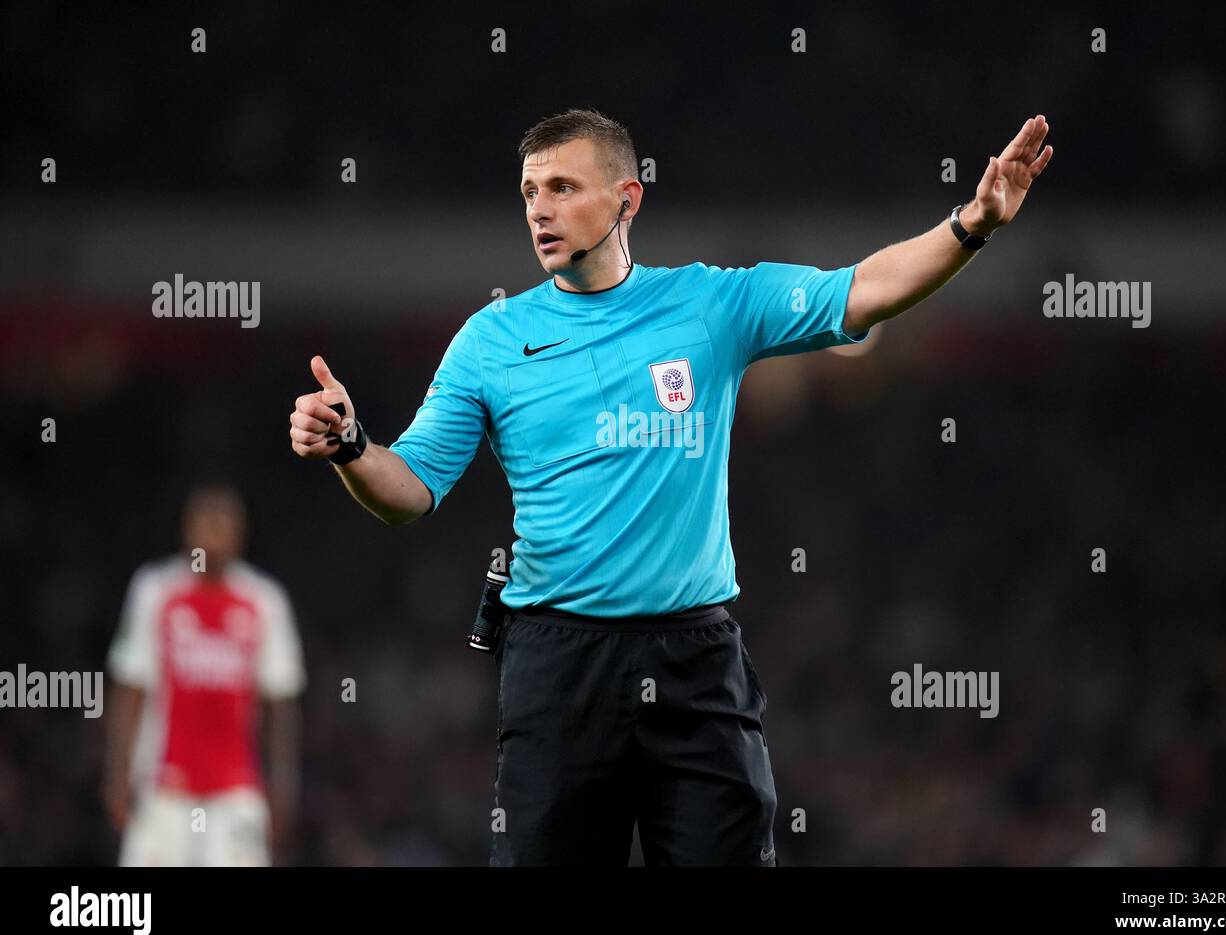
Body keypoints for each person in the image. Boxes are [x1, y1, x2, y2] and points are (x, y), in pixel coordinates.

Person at [288, 108, 1052, 865]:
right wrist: (350, 446)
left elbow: (861, 290)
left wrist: (973, 223)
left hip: (695, 662)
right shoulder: (488, 342)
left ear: (627, 198)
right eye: (529, 192)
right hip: (559, 666)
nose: (540, 210)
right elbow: (410, 489)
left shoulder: (709, 305)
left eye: (562, 187)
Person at [102, 484, 306, 866]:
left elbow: (281, 701)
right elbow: (130, 685)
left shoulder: (264, 600)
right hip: (164, 784)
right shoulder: (155, 590)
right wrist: (118, 773)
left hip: (236, 789)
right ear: (187, 529)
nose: (213, 534)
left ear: (240, 533)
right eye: (205, 523)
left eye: (223, 524)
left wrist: (282, 784)